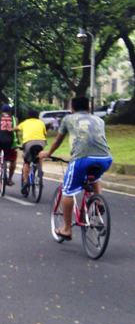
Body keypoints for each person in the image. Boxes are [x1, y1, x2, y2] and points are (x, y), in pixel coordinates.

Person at [40, 95, 113, 240]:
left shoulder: (68, 119)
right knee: (96, 177)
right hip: (105, 158)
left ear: (72, 108)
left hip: (81, 159)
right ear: (89, 107)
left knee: (67, 191)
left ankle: (67, 229)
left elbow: (57, 141)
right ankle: (98, 202)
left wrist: (48, 153)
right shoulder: (99, 120)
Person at [17, 108, 47, 194]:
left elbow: (16, 128)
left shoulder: (25, 122)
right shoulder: (41, 123)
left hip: (29, 143)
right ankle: (40, 170)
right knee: (40, 155)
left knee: (26, 162)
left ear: (28, 115)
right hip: (41, 143)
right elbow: (45, 134)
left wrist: (12, 130)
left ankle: (26, 181)